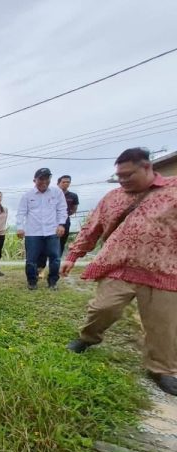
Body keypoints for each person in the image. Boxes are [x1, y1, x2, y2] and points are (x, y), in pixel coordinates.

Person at [62, 147, 177, 396]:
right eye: (119, 176)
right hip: (118, 265)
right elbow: (91, 229)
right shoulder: (113, 198)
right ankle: (88, 337)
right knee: (103, 308)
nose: (122, 180)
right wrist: (72, 256)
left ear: (147, 167)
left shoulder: (173, 190)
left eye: (128, 175)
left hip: (163, 268)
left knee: (163, 323)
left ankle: (161, 369)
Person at [16, 168, 68, 290]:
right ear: (35, 180)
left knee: (55, 259)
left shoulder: (57, 193)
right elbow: (21, 213)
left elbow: (62, 209)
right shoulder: (27, 195)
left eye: (47, 178)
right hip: (33, 233)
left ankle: (53, 282)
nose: (44, 181)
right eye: (41, 179)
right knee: (31, 260)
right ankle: (32, 281)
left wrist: (61, 224)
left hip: (52, 231)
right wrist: (20, 227)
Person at [57, 175, 79, 255]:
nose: (66, 183)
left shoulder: (73, 196)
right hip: (52, 220)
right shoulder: (53, 195)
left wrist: (65, 215)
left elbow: (74, 209)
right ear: (58, 183)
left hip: (65, 221)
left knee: (62, 240)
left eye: (68, 182)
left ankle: (58, 258)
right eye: (63, 182)